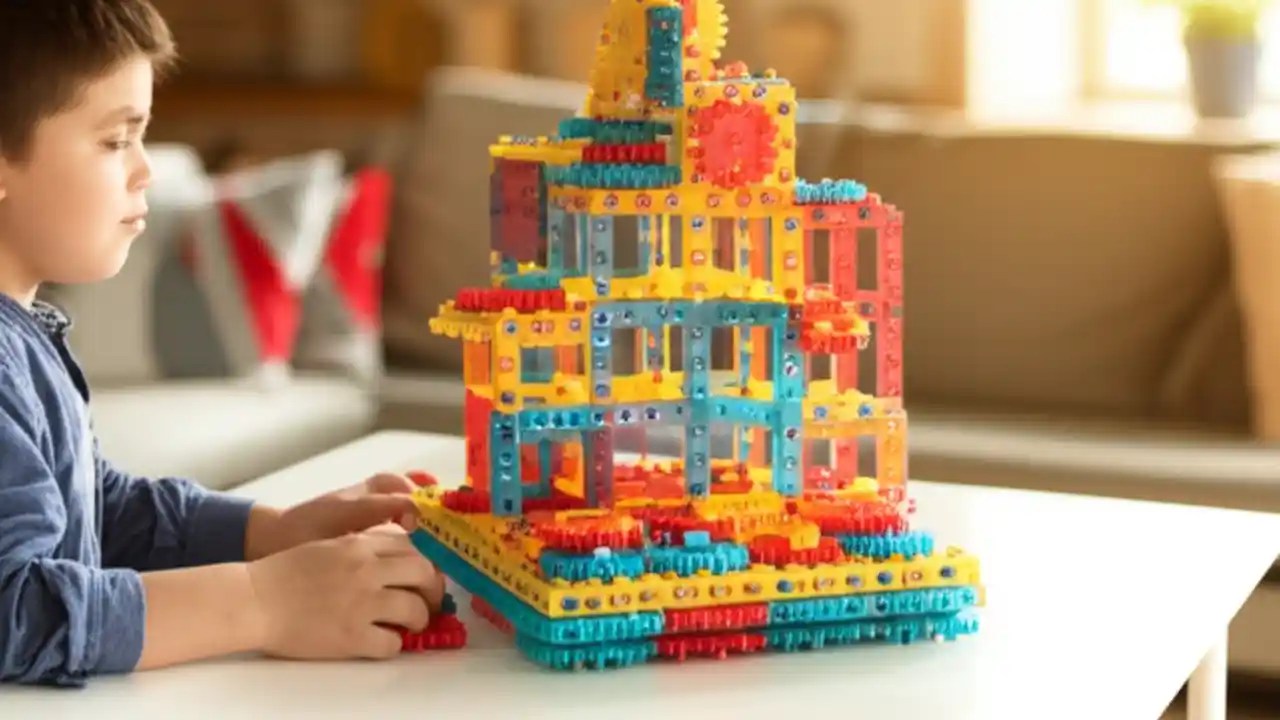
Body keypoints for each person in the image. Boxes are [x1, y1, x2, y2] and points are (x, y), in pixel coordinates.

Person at [0, 0, 444, 687]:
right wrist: (265, 602)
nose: (145, 170)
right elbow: (15, 613)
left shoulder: (26, 336)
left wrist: (278, 532)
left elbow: (102, 512)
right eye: (117, 141)